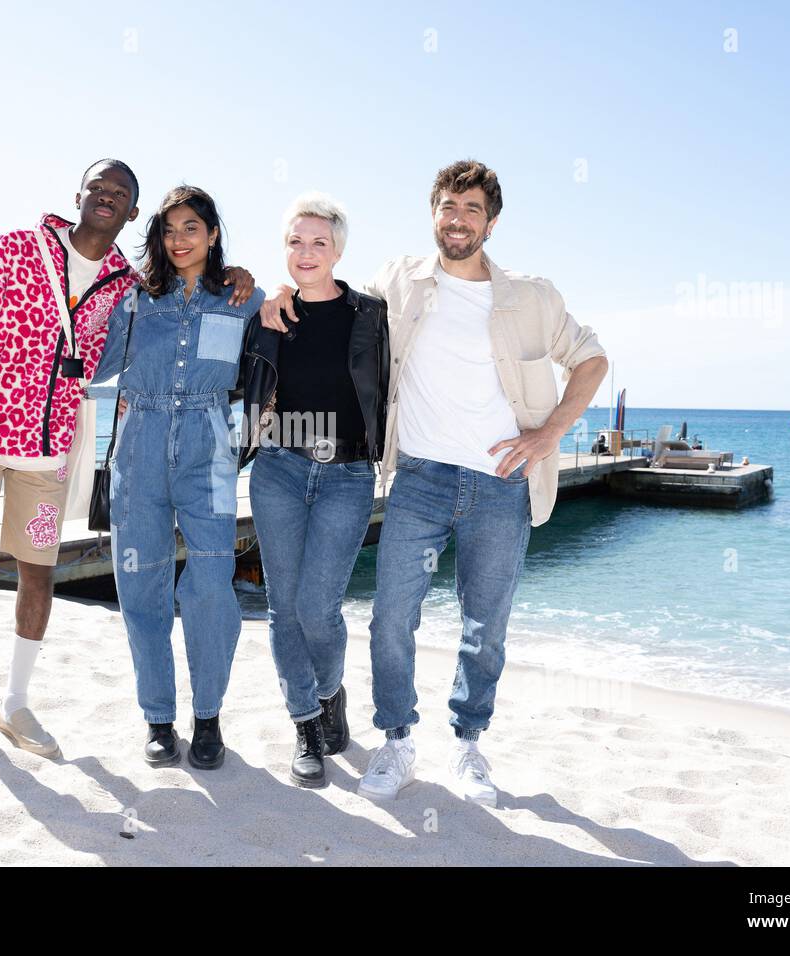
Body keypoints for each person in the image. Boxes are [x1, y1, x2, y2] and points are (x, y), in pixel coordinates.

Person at [260, 159, 608, 804]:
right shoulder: (398, 281)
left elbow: (591, 359)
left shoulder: (532, 296)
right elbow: (329, 292)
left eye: (472, 209)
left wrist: (549, 434)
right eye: (449, 206)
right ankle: (396, 741)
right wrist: (280, 294)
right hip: (417, 480)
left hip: (500, 484)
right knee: (392, 620)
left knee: (486, 625)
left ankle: (469, 744)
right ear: (433, 213)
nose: (458, 219)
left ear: (491, 222)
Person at [0, 162, 255, 773]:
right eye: (97, 188)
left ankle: (193, 717)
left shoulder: (183, 291)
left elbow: (271, 360)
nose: (180, 239)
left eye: (193, 227)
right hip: (7, 446)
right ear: (80, 197)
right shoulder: (49, 263)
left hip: (78, 457)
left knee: (178, 587)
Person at [92, 185, 265, 770]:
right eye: (169, 229)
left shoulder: (241, 298)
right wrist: (112, 292)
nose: (180, 239)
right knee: (140, 586)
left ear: (213, 234)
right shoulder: (137, 300)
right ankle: (159, 720)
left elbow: (284, 344)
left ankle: (209, 715)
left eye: (192, 227)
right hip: (138, 443)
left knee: (212, 587)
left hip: (210, 447)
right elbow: (93, 365)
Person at [233, 192, 389, 788]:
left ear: (339, 250)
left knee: (317, 609)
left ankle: (329, 691)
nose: (307, 252)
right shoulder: (269, 316)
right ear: (285, 249)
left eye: (319, 241)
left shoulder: (371, 315)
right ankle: (305, 724)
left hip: (347, 475)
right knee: (281, 607)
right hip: (278, 469)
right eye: (296, 241)